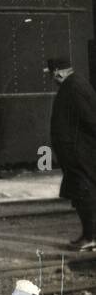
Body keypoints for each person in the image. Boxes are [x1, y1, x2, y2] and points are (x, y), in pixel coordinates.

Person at [48, 58, 96, 251]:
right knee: (81, 195)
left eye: (51, 74)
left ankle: (91, 237)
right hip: (77, 155)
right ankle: (88, 235)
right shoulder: (74, 85)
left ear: (58, 72)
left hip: (79, 155)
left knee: (85, 195)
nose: (52, 78)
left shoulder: (74, 87)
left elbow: (91, 120)